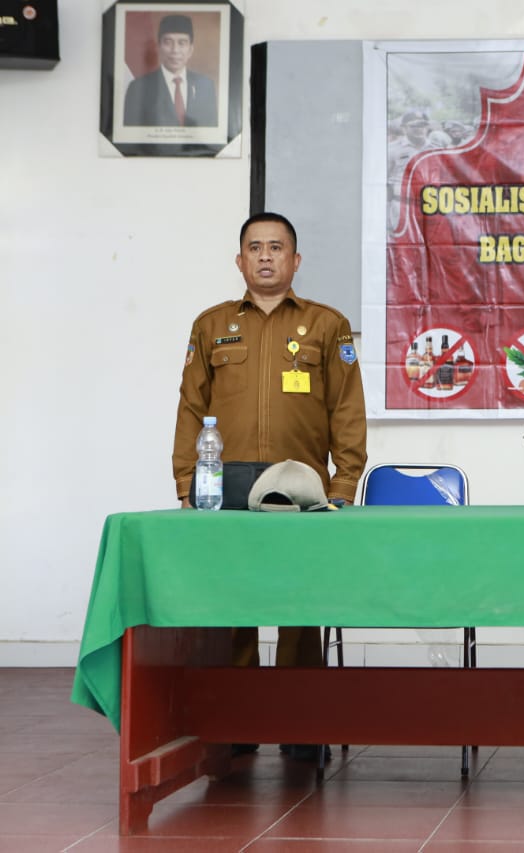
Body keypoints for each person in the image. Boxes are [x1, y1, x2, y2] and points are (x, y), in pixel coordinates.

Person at [172, 212, 367, 760]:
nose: (264, 256)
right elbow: (191, 407)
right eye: (254, 248)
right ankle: (240, 720)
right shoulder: (210, 325)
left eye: (276, 248)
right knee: (233, 602)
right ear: (239, 261)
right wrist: (187, 480)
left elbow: (347, 411)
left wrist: (345, 481)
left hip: (302, 489)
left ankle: (298, 720)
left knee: (300, 604)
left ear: (295, 260)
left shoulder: (328, 324)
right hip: (226, 486)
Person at [123, 14, 218, 127]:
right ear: (158, 47)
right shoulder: (138, 87)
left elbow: (212, 132)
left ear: (191, 50)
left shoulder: (206, 86)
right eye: (168, 42)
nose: (175, 50)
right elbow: (130, 135)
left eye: (182, 43)